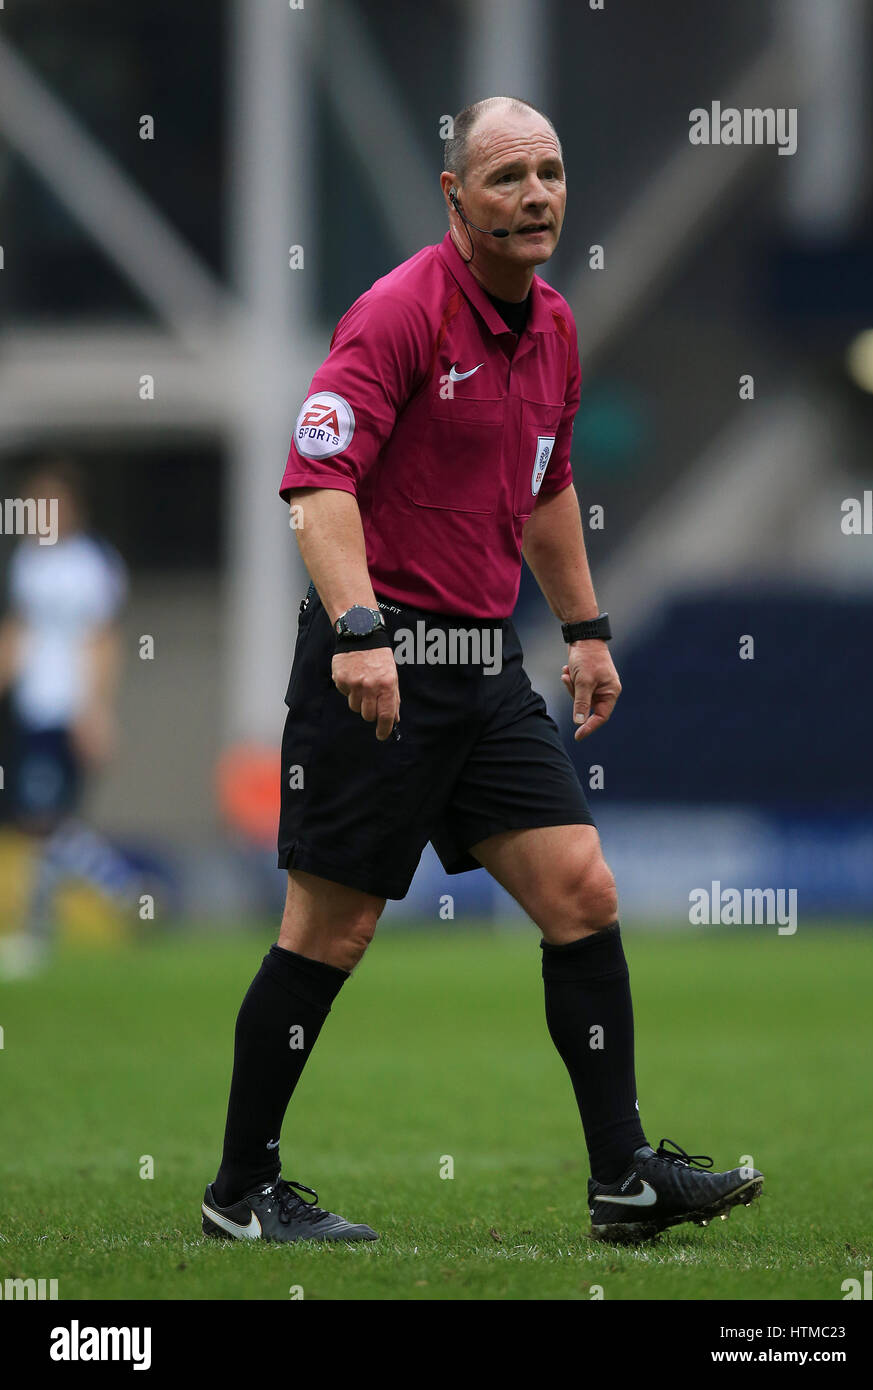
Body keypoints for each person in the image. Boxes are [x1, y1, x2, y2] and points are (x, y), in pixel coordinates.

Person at [202, 97, 763, 1246]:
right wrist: (359, 633)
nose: (534, 195)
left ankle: (622, 1178)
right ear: (453, 197)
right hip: (382, 660)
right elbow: (317, 485)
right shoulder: (397, 313)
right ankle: (239, 1192)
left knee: (580, 892)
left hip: (482, 665)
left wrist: (587, 627)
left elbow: (545, 486)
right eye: (505, 176)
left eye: (549, 173)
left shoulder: (551, 325)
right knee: (328, 934)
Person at [0, 458, 136, 977]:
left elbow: (103, 640)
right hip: (34, 707)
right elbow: (19, 633)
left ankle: (121, 890)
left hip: (67, 708)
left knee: (41, 822)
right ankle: (50, 926)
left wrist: (94, 708)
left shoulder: (90, 565)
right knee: (49, 823)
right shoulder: (27, 562)